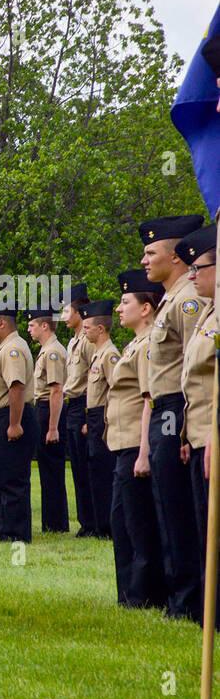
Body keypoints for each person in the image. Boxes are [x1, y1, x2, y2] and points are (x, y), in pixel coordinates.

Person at [142, 214, 207, 621]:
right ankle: (177, 594)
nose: (144, 260)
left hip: (175, 409)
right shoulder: (170, 299)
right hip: (164, 407)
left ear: (176, 256)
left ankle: (188, 599)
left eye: (151, 252)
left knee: (179, 508)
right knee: (166, 504)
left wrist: (183, 429)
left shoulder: (188, 300)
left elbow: (192, 366)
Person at [107, 270, 166, 608]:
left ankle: (143, 596)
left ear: (146, 308)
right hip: (122, 444)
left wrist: (144, 452)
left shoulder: (147, 345)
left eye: (125, 302)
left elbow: (149, 400)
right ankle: (128, 594)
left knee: (138, 525)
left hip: (134, 445)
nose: (119, 308)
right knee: (122, 522)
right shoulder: (135, 344)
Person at [177, 222, 219, 586]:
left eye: (197, 268)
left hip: (214, 434)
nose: (191, 275)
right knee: (204, 524)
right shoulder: (208, 314)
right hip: (200, 434)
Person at [0, 306, 38, 543]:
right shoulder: (3, 349)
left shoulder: (12, 349)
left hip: (11, 416)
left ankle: (15, 534)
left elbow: (16, 387)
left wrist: (14, 424)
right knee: (4, 477)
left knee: (12, 480)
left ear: (2, 324)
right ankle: (9, 530)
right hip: (0, 418)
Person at [27, 306, 69, 532]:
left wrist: (52, 427)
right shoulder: (46, 350)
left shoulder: (53, 352)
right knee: (46, 468)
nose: (29, 329)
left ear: (45, 326)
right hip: (43, 410)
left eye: (32, 325)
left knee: (52, 468)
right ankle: (51, 522)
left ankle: (56, 524)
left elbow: (56, 390)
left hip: (49, 411)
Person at [60, 285, 97, 536]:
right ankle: (86, 522)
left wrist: (88, 416)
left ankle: (95, 522)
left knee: (88, 468)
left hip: (83, 405)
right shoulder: (74, 340)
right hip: (71, 406)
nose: (62, 316)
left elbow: (95, 378)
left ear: (79, 311)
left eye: (65, 310)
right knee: (77, 469)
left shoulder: (88, 340)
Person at [82, 301, 118, 539]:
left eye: (87, 327)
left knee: (104, 472)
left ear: (101, 329)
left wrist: (106, 422)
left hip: (103, 417)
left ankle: (107, 526)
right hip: (93, 417)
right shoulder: (97, 353)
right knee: (95, 471)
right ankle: (98, 523)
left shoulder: (110, 355)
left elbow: (116, 390)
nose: (84, 331)